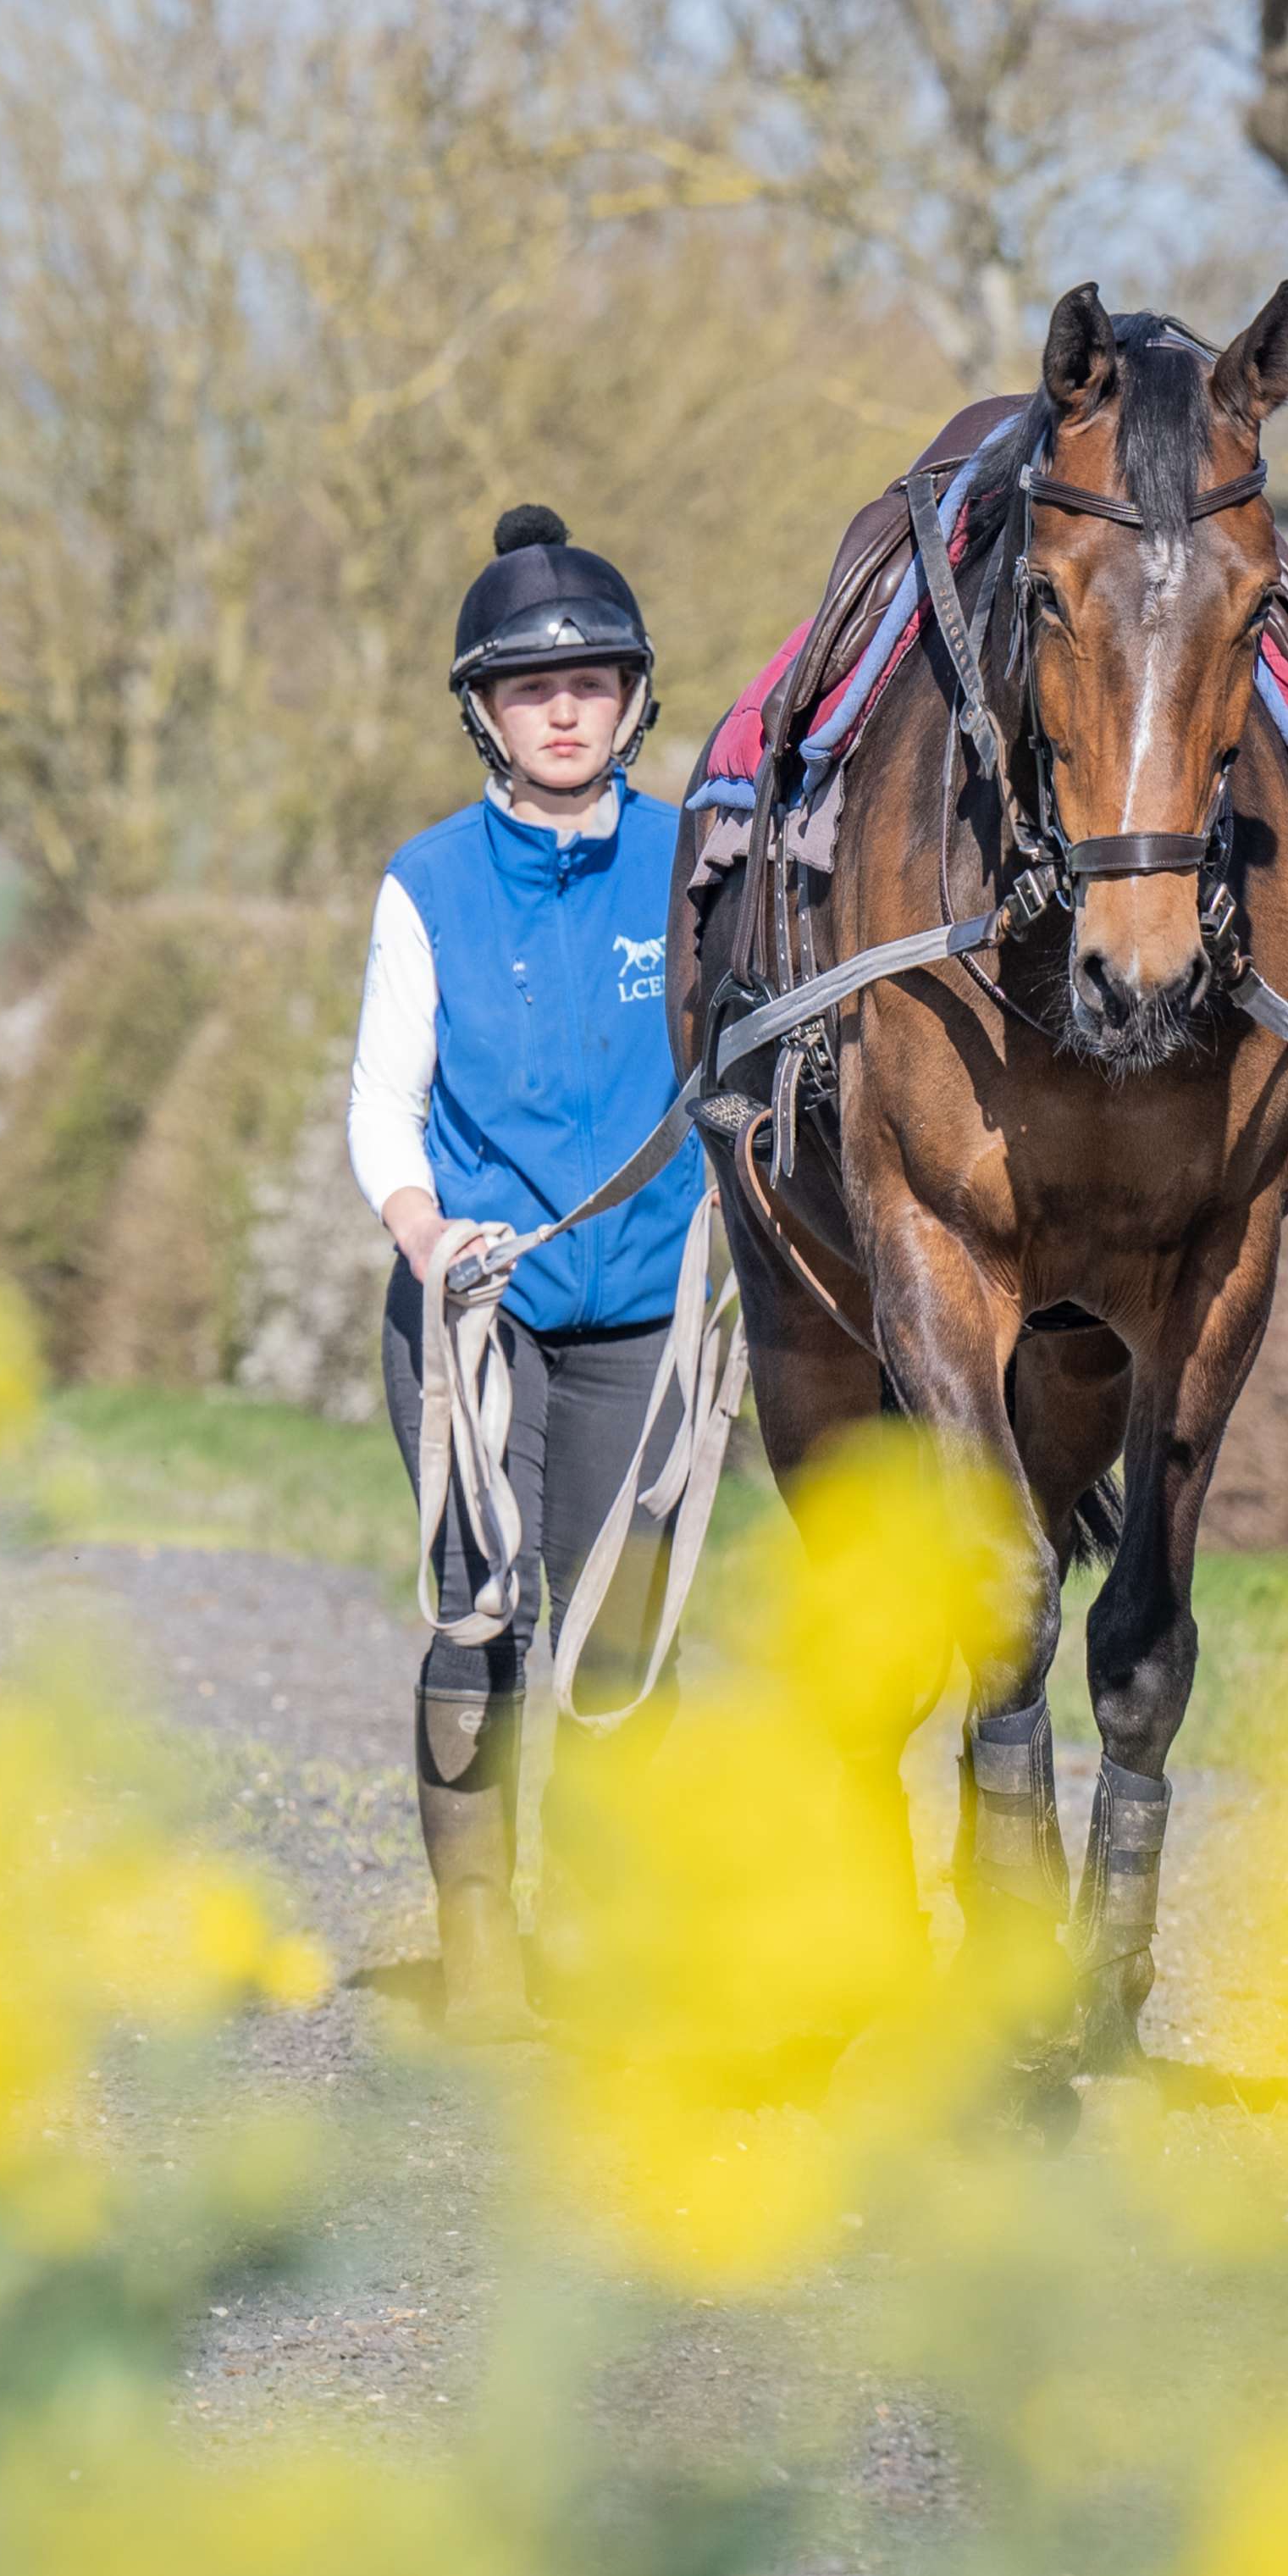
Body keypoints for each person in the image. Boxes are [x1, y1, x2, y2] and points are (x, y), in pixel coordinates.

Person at [349, 501, 711, 2041]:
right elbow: (382, 1098)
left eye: (590, 683)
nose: (562, 710)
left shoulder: (703, 865)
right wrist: (429, 1236)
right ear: (484, 713)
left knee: (621, 1641)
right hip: (477, 1316)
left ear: (632, 698)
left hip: (645, 1313)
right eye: (528, 690)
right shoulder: (425, 884)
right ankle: (481, 1949)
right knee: (481, 1620)